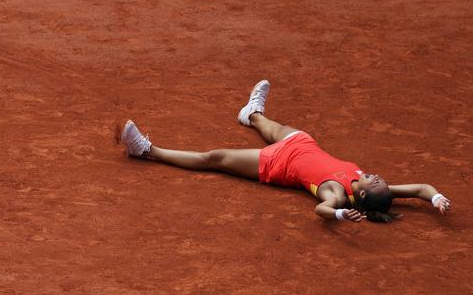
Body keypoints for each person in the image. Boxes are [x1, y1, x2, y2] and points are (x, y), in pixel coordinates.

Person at [120, 80, 451, 223]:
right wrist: (436, 198)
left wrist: (338, 214)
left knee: (215, 158)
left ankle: (147, 151)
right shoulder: (375, 188)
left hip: (275, 164)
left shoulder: (336, 193)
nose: (377, 177)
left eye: (374, 183)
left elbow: (321, 211)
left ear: (361, 198)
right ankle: (250, 112)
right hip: (302, 144)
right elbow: (421, 189)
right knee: (267, 125)